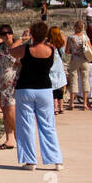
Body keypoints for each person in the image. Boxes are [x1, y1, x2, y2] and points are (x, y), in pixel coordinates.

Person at [7, 21, 63, 171]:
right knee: (48, 125)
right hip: (44, 89)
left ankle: (30, 161)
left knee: (26, 125)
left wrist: (23, 38)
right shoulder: (51, 50)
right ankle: (56, 159)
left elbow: (10, 50)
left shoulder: (26, 49)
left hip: (25, 88)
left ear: (32, 33)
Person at [65, 21, 91, 111]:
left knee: (73, 80)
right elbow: (91, 48)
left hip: (75, 59)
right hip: (84, 59)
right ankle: (84, 103)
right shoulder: (85, 37)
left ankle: (71, 103)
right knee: (85, 80)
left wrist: (74, 51)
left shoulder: (71, 38)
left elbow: (67, 51)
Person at [47, 26, 67, 114]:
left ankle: (55, 107)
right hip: (59, 67)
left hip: (51, 66)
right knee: (59, 87)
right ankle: (61, 107)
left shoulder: (48, 43)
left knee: (53, 88)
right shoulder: (60, 43)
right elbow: (64, 54)